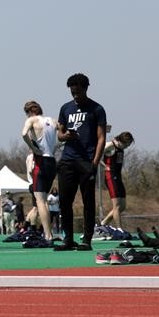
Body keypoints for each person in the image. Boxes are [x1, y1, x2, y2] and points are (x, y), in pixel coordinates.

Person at [55, 74, 106, 251]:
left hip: (87, 161)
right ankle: (68, 239)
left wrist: (94, 162)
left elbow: (101, 137)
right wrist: (66, 136)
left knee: (88, 201)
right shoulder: (65, 108)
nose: (75, 95)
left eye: (78, 92)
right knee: (64, 201)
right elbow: (59, 134)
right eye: (72, 92)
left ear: (85, 88)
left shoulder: (96, 109)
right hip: (68, 160)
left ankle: (87, 239)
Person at [20, 100, 57, 237]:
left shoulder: (32, 120)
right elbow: (61, 138)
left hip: (40, 161)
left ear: (29, 112)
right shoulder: (53, 120)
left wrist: (33, 147)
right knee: (44, 200)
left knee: (40, 201)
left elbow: (24, 134)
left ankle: (48, 235)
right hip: (52, 161)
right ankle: (49, 233)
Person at [99, 131, 134, 230]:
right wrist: (104, 166)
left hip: (118, 176)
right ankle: (119, 229)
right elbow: (95, 154)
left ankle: (103, 223)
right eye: (127, 144)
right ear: (122, 141)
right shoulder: (111, 145)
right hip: (110, 176)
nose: (127, 147)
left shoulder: (120, 148)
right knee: (117, 206)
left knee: (122, 206)